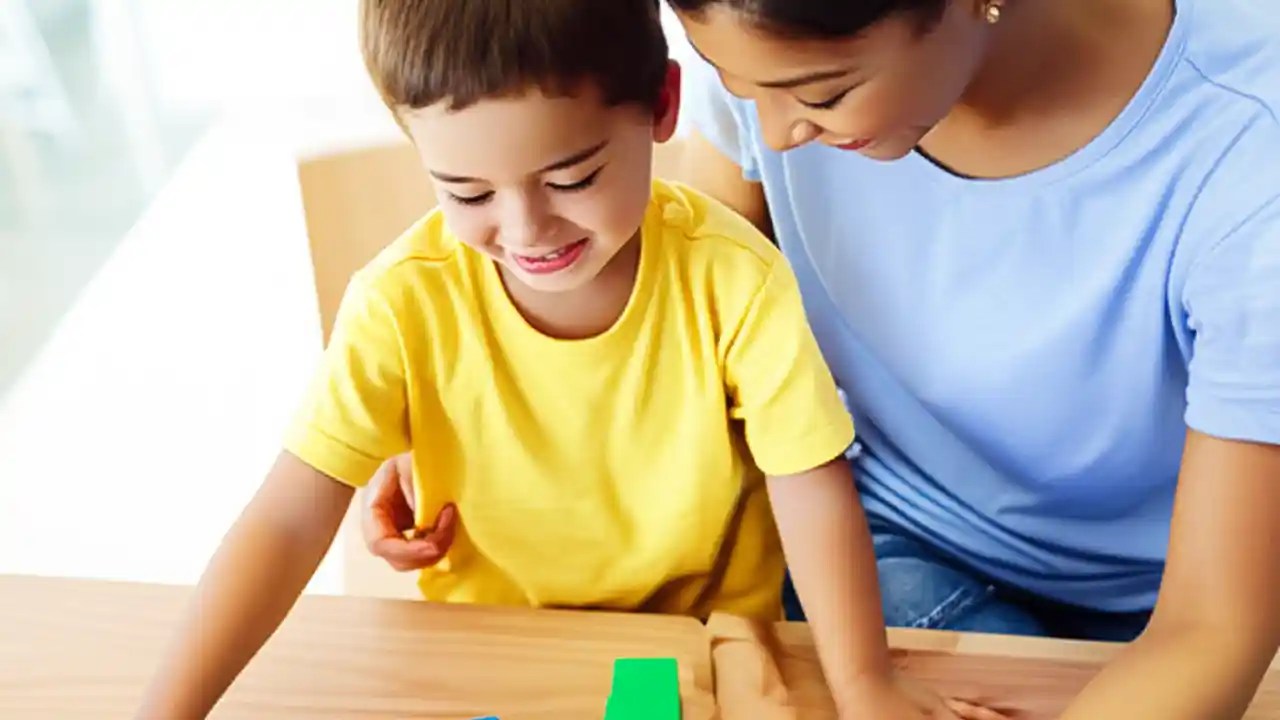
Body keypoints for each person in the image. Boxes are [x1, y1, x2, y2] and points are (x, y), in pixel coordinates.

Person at [134, 1, 1003, 718]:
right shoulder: (399, 302)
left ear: (661, 106)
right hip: (498, 657)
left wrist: (864, 684)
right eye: (467, 192)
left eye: (571, 179)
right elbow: (286, 520)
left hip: (711, 649)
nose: (526, 232)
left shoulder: (735, 279)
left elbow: (810, 485)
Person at [638, 0, 1279, 716]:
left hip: (1174, 593)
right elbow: (692, 331)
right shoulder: (765, 47)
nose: (775, 135)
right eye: (733, 82)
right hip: (886, 554)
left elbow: (1213, 627)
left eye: (824, 95)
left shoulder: (1249, 153)